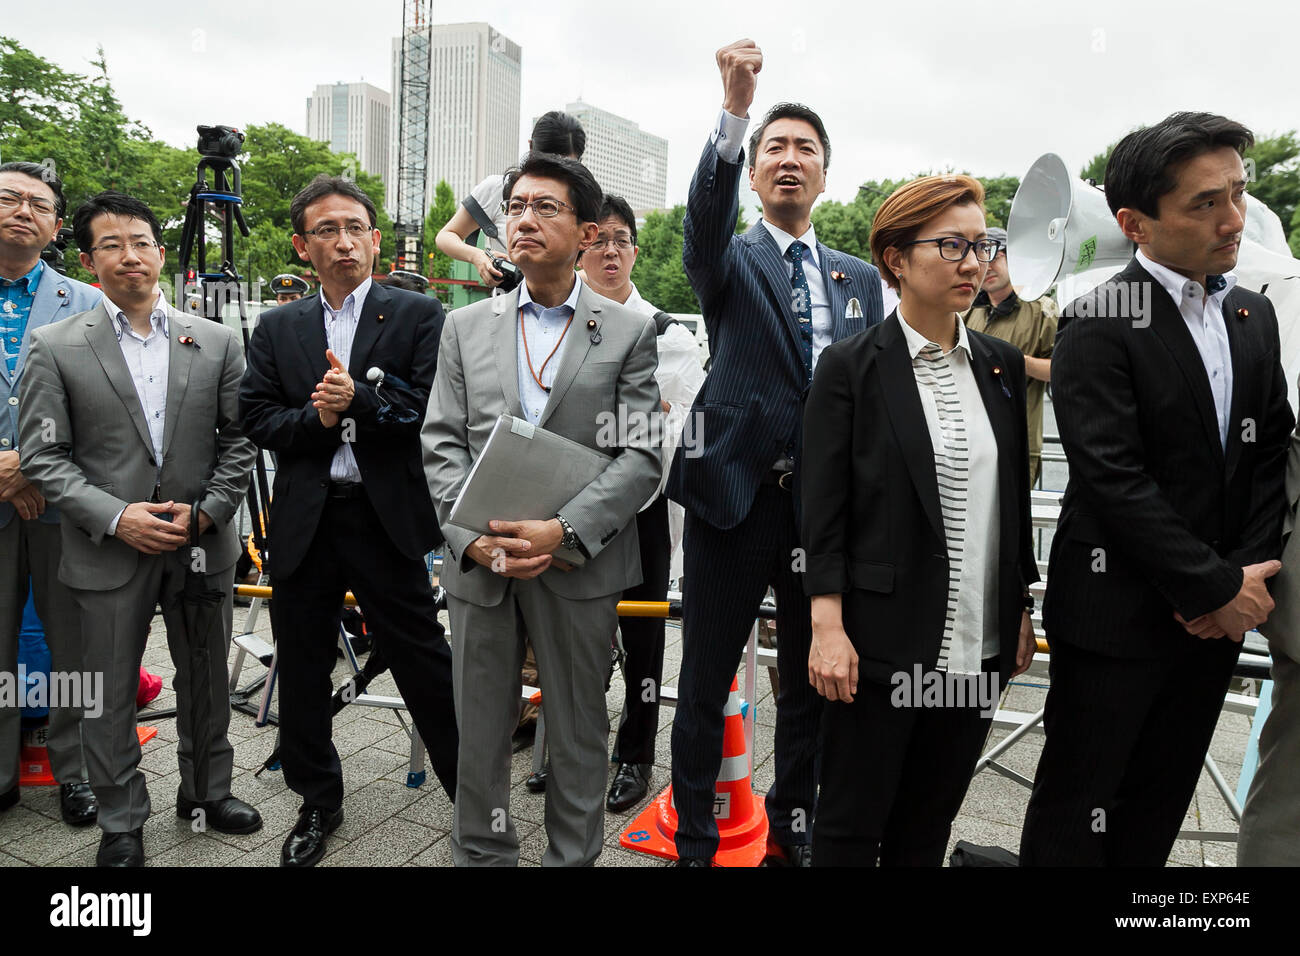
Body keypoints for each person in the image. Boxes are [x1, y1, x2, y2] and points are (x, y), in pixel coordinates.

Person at [1019, 112, 1294, 866]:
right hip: (1116, 622)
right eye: (1205, 203)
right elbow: (1113, 477)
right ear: (1134, 223)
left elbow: (1271, 449)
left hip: (1216, 620)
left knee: (1157, 813)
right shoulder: (1096, 321)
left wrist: (1244, 576)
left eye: (1238, 193)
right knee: (1080, 813)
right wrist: (1211, 587)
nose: (1234, 219)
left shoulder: (1253, 313)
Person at [666, 38, 883, 867]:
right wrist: (734, 113)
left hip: (821, 515)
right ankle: (694, 842)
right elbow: (703, 218)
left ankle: (792, 838)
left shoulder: (861, 280)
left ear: (826, 175)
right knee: (702, 684)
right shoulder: (726, 261)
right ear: (754, 172)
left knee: (810, 689)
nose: (790, 161)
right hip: (732, 500)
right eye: (775, 150)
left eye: (807, 151)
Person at [423, 152, 661, 866]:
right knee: (481, 735)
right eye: (517, 206)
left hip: (577, 568)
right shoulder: (464, 328)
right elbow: (439, 442)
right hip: (480, 567)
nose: (523, 219)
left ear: (588, 233)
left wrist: (563, 531)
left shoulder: (628, 333)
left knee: (582, 734)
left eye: (545, 207)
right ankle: (483, 856)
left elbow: (643, 457)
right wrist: (471, 541)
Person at [19, 190, 261, 867]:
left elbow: (240, 437)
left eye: (141, 242)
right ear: (89, 259)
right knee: (104, 688)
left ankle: (210, 790)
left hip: (197, 544)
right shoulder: (57, 346)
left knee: (208, 678)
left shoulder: (212, 340)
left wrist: (209, 509)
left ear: (160, 252)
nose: (129, 256)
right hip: (104, 548)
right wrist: (116, 515)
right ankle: (121, 820)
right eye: (110, 245)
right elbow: (42, 454)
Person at [802, 175, 1038, 866]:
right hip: (877, 645)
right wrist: (826, 626)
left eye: (982, 245)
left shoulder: (997, 365)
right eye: (953, 246)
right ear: (896, 260)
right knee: (847, 826)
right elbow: (823, 509)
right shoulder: (850, 368)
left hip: (976, 645)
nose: (975, 263)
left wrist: (1018, 605)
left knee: (928, 823)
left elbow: (1011, 500)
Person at [240, 174, 459, 868]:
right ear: (304, 246)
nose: (344, 242)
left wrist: (361, 403)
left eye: (355, 228)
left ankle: (471, 794)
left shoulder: (419, 315)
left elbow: (429, 414)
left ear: (374, 238)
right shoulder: (278, 327)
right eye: (327, 231)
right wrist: (321, 417)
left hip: (384, 517)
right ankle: (317, 800)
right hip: (306, 517)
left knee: (424, 658)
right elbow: (257, 418)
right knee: (301, 662)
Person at [577, 194, 706, 813]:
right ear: (580, 246)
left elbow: (676, 431)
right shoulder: (558, 324)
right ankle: (571, 750)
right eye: (597, 239)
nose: (609, 251)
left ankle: (635, 756)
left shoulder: (667, 333)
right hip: (569, 506)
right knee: (574, 634)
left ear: (634, 250)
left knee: (644, 638)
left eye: (621, 240)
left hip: (642, 509)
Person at [0, 161, 101, 826]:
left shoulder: (86, 303)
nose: (23, 210)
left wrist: (32, 465)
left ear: (56, 226)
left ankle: (77, 770)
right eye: (9, 197)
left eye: (39, 203)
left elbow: (101, 406)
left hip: (55, 496)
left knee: (74, 643)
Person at [434, 111, 586, 290]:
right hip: (507, 306)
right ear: (530, 148)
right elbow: (446, 236)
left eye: (565, 166)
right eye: (516, 207)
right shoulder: (498, 188)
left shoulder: (583, 197)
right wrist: (478, 256)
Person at [961, 226, 1058, 485]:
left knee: (1009, 523)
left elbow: (1064, 369)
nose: (987, 266)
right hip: (966, 441)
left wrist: (1018, 362)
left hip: (1017, 442)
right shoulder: (967, 311)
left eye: (995, 256)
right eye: (981, 257)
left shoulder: (1042, 309)